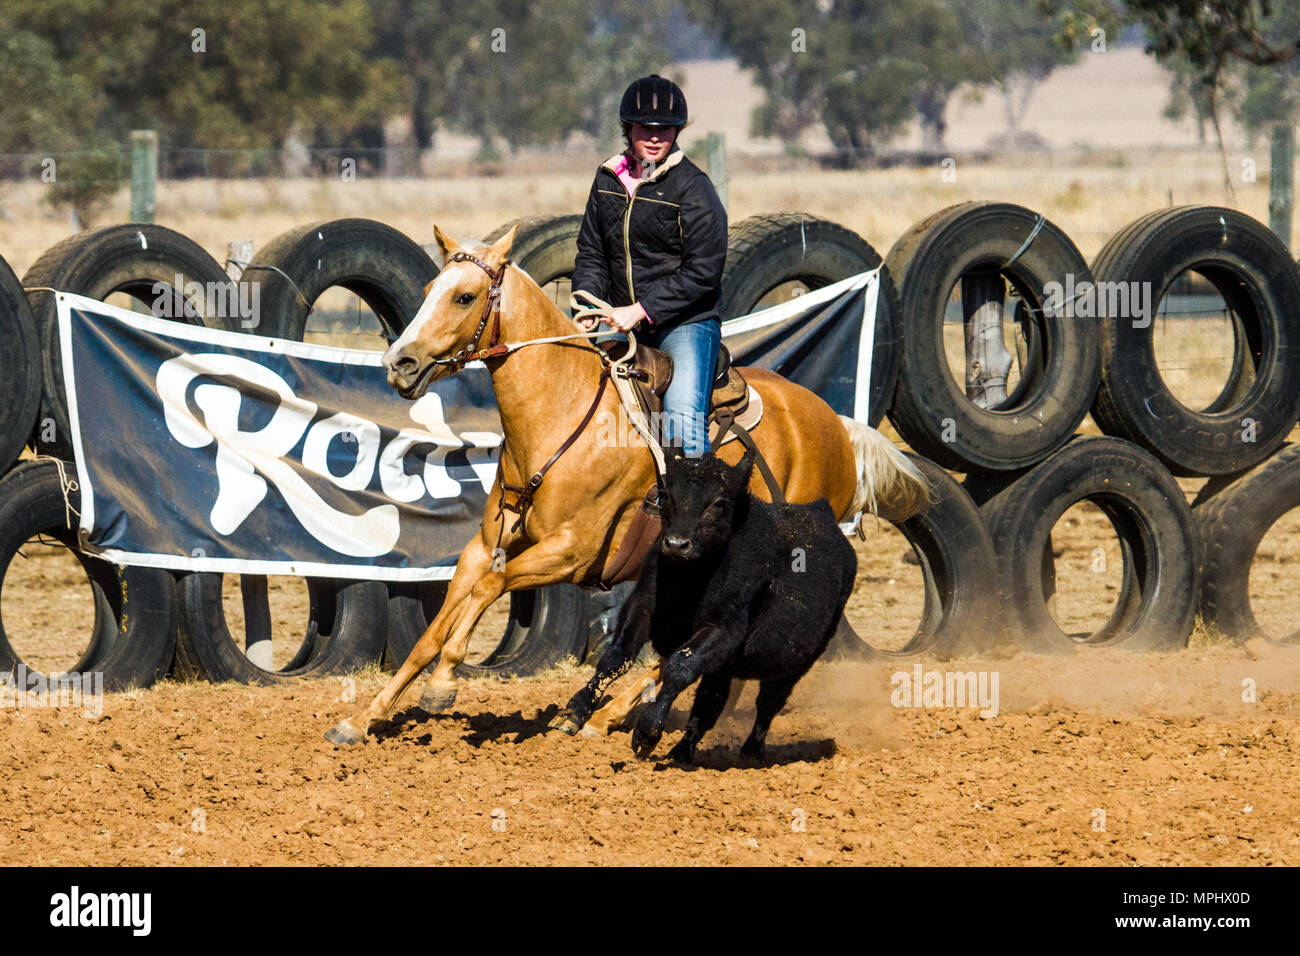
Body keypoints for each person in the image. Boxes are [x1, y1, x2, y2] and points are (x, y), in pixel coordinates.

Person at [572, 73, 728, 458]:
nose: (656, 137)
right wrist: (589, 306)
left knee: (681, 425)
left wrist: (641, 310)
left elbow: (703, 271)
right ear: (628, 130)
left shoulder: (693, 188)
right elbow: (592, 251)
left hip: (685, 323)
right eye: (646, 128)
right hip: (618, 320)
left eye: (667, 129)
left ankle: (699, 514)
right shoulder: (606, 178)